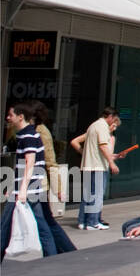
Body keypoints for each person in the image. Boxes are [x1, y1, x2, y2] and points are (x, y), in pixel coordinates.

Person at [1, 102, 57, 262]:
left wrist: (22, 189)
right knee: (42, 226)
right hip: (31, 189)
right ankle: (51, 258)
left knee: (4, 226)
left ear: (20, 117)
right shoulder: (29, 134)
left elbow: (30, 163)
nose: (8, 118)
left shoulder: (27, 136)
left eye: (11, 115)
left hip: (26, 190)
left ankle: (52, 258)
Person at [27, 102, 76, 254]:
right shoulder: (29, 131)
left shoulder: (42, 133)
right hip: (33, 184)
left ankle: (56, 254)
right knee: (46, 221)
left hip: (37, 185)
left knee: (43, 223)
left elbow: (51, 163)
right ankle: (66, 251)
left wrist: (58, 190)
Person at [70, 107, 121, 230]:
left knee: (87, 195)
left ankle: (82, 221)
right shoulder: (102, 127)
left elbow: (75, 142)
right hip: (98, 166)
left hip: (88, 164)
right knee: (97, 194)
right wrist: (112, 163)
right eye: (113, 120)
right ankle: (93, 222)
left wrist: (85, 153)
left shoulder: (93, 126)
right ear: (110, 117)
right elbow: (103, 147)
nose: (113, 124)